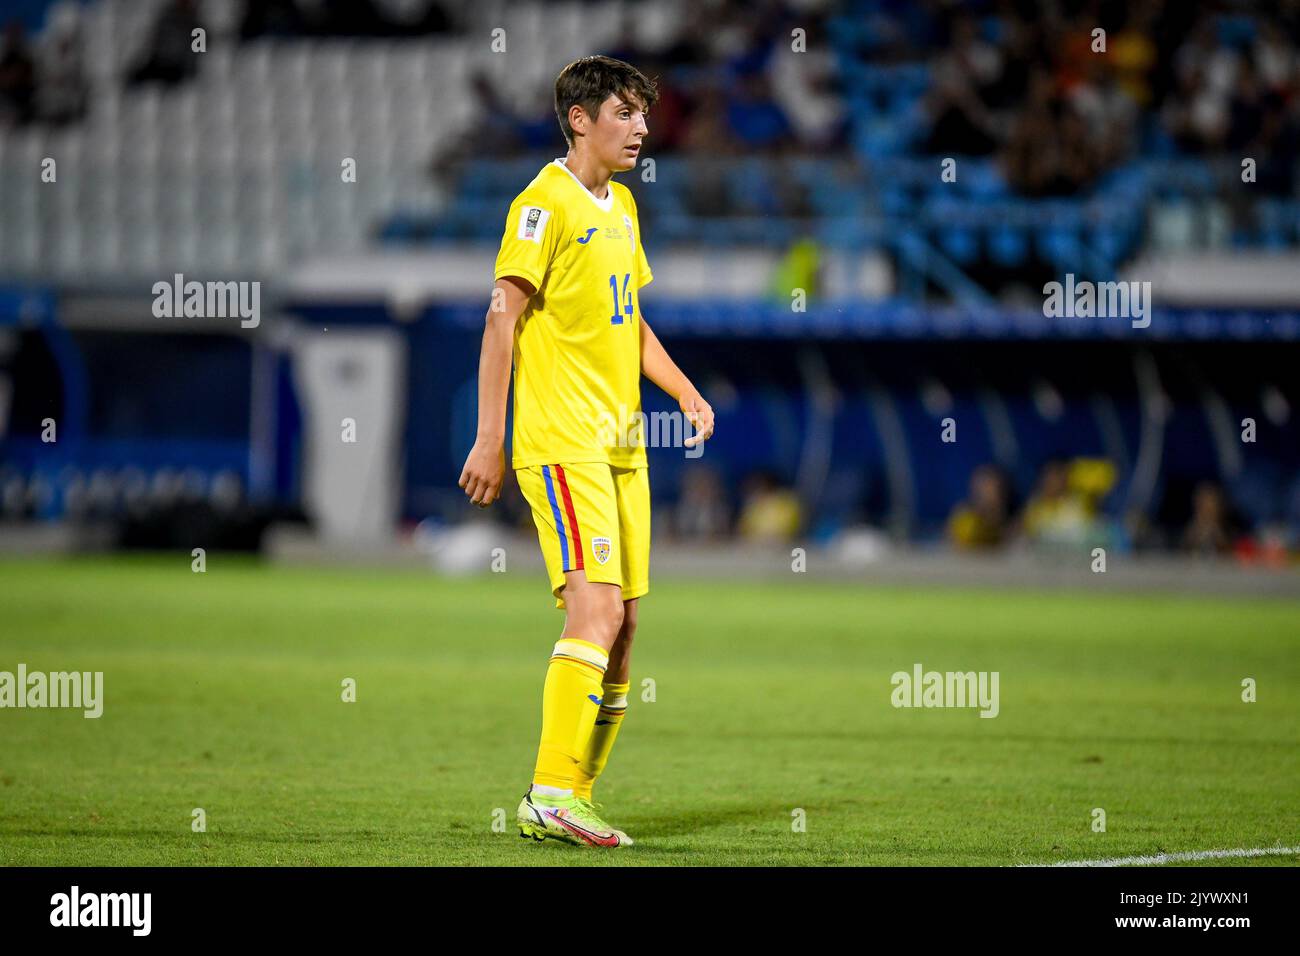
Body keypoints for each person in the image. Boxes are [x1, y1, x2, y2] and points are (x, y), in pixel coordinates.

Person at [457, 56, 715, 848]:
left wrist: (680, 388)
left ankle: (574, 794)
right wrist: (490, 439)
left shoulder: (624, 207)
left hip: (621, 445)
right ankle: (548, 792)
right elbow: (503, 317)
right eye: (626, 113)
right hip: (561, 440)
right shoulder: (542, 203)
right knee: (595, 609)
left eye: (643, 114)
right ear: (580, 119)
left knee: (626, 625)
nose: (641, 128)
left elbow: (625, 317)